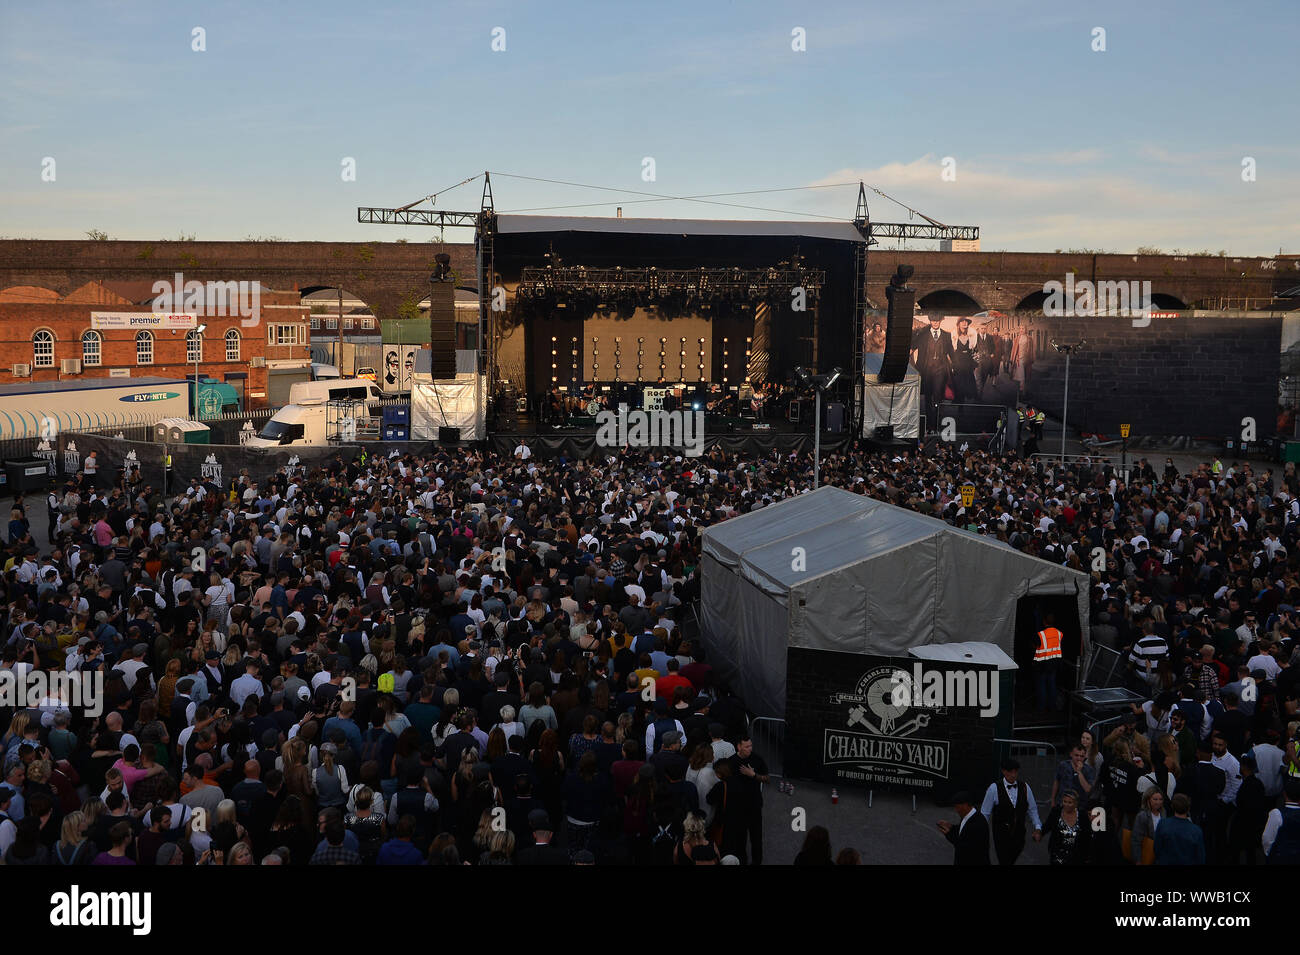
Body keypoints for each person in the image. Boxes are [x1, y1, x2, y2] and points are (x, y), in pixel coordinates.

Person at [980, 758, 1042, 865]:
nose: (1013, 775)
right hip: (1001, 833)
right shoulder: (994, 788)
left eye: (1015, 772)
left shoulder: (1025, 787)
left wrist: (1037, 827)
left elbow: (1032, 809)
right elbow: (985, 813)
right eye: (1010, 772)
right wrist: (980, 831)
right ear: (1004, 771)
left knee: (1011, 858)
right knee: (1004, 860)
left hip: (1019, 833)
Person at [937, 790, 989, 866]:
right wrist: (951, 827)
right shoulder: (968, 816)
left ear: (965, 805)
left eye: (957, 807)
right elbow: (963, 831)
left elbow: (965, 847)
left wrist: (949, 834)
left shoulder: (978, 824)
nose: (956, 810)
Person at [1153, 793, 1205, 865]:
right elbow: (1200, 858)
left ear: (1172, 807)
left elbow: (1157, 848)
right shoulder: (1196, 831)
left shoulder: (1163, 824)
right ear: (1188, 808)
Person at [1042, 789, 1090, 865]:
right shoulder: (1056, 812)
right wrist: (1039, 833)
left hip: (1076, 856)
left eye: (1070, 802)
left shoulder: (1082, 816)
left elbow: (1087, 836)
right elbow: (1047, 826)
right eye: (1065, 802)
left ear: (1076, 803)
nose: (1066, 805)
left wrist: (1088, 856)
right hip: (1058, 854)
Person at [1130, 786, 1167, 865]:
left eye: (1161, 799)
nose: (1158, 802)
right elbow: (1136, 840)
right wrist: (1138, 861)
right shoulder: (1142, 816)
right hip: (1147, 853)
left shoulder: (1163, 813)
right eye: (1155, 799)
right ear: (1148, 800)